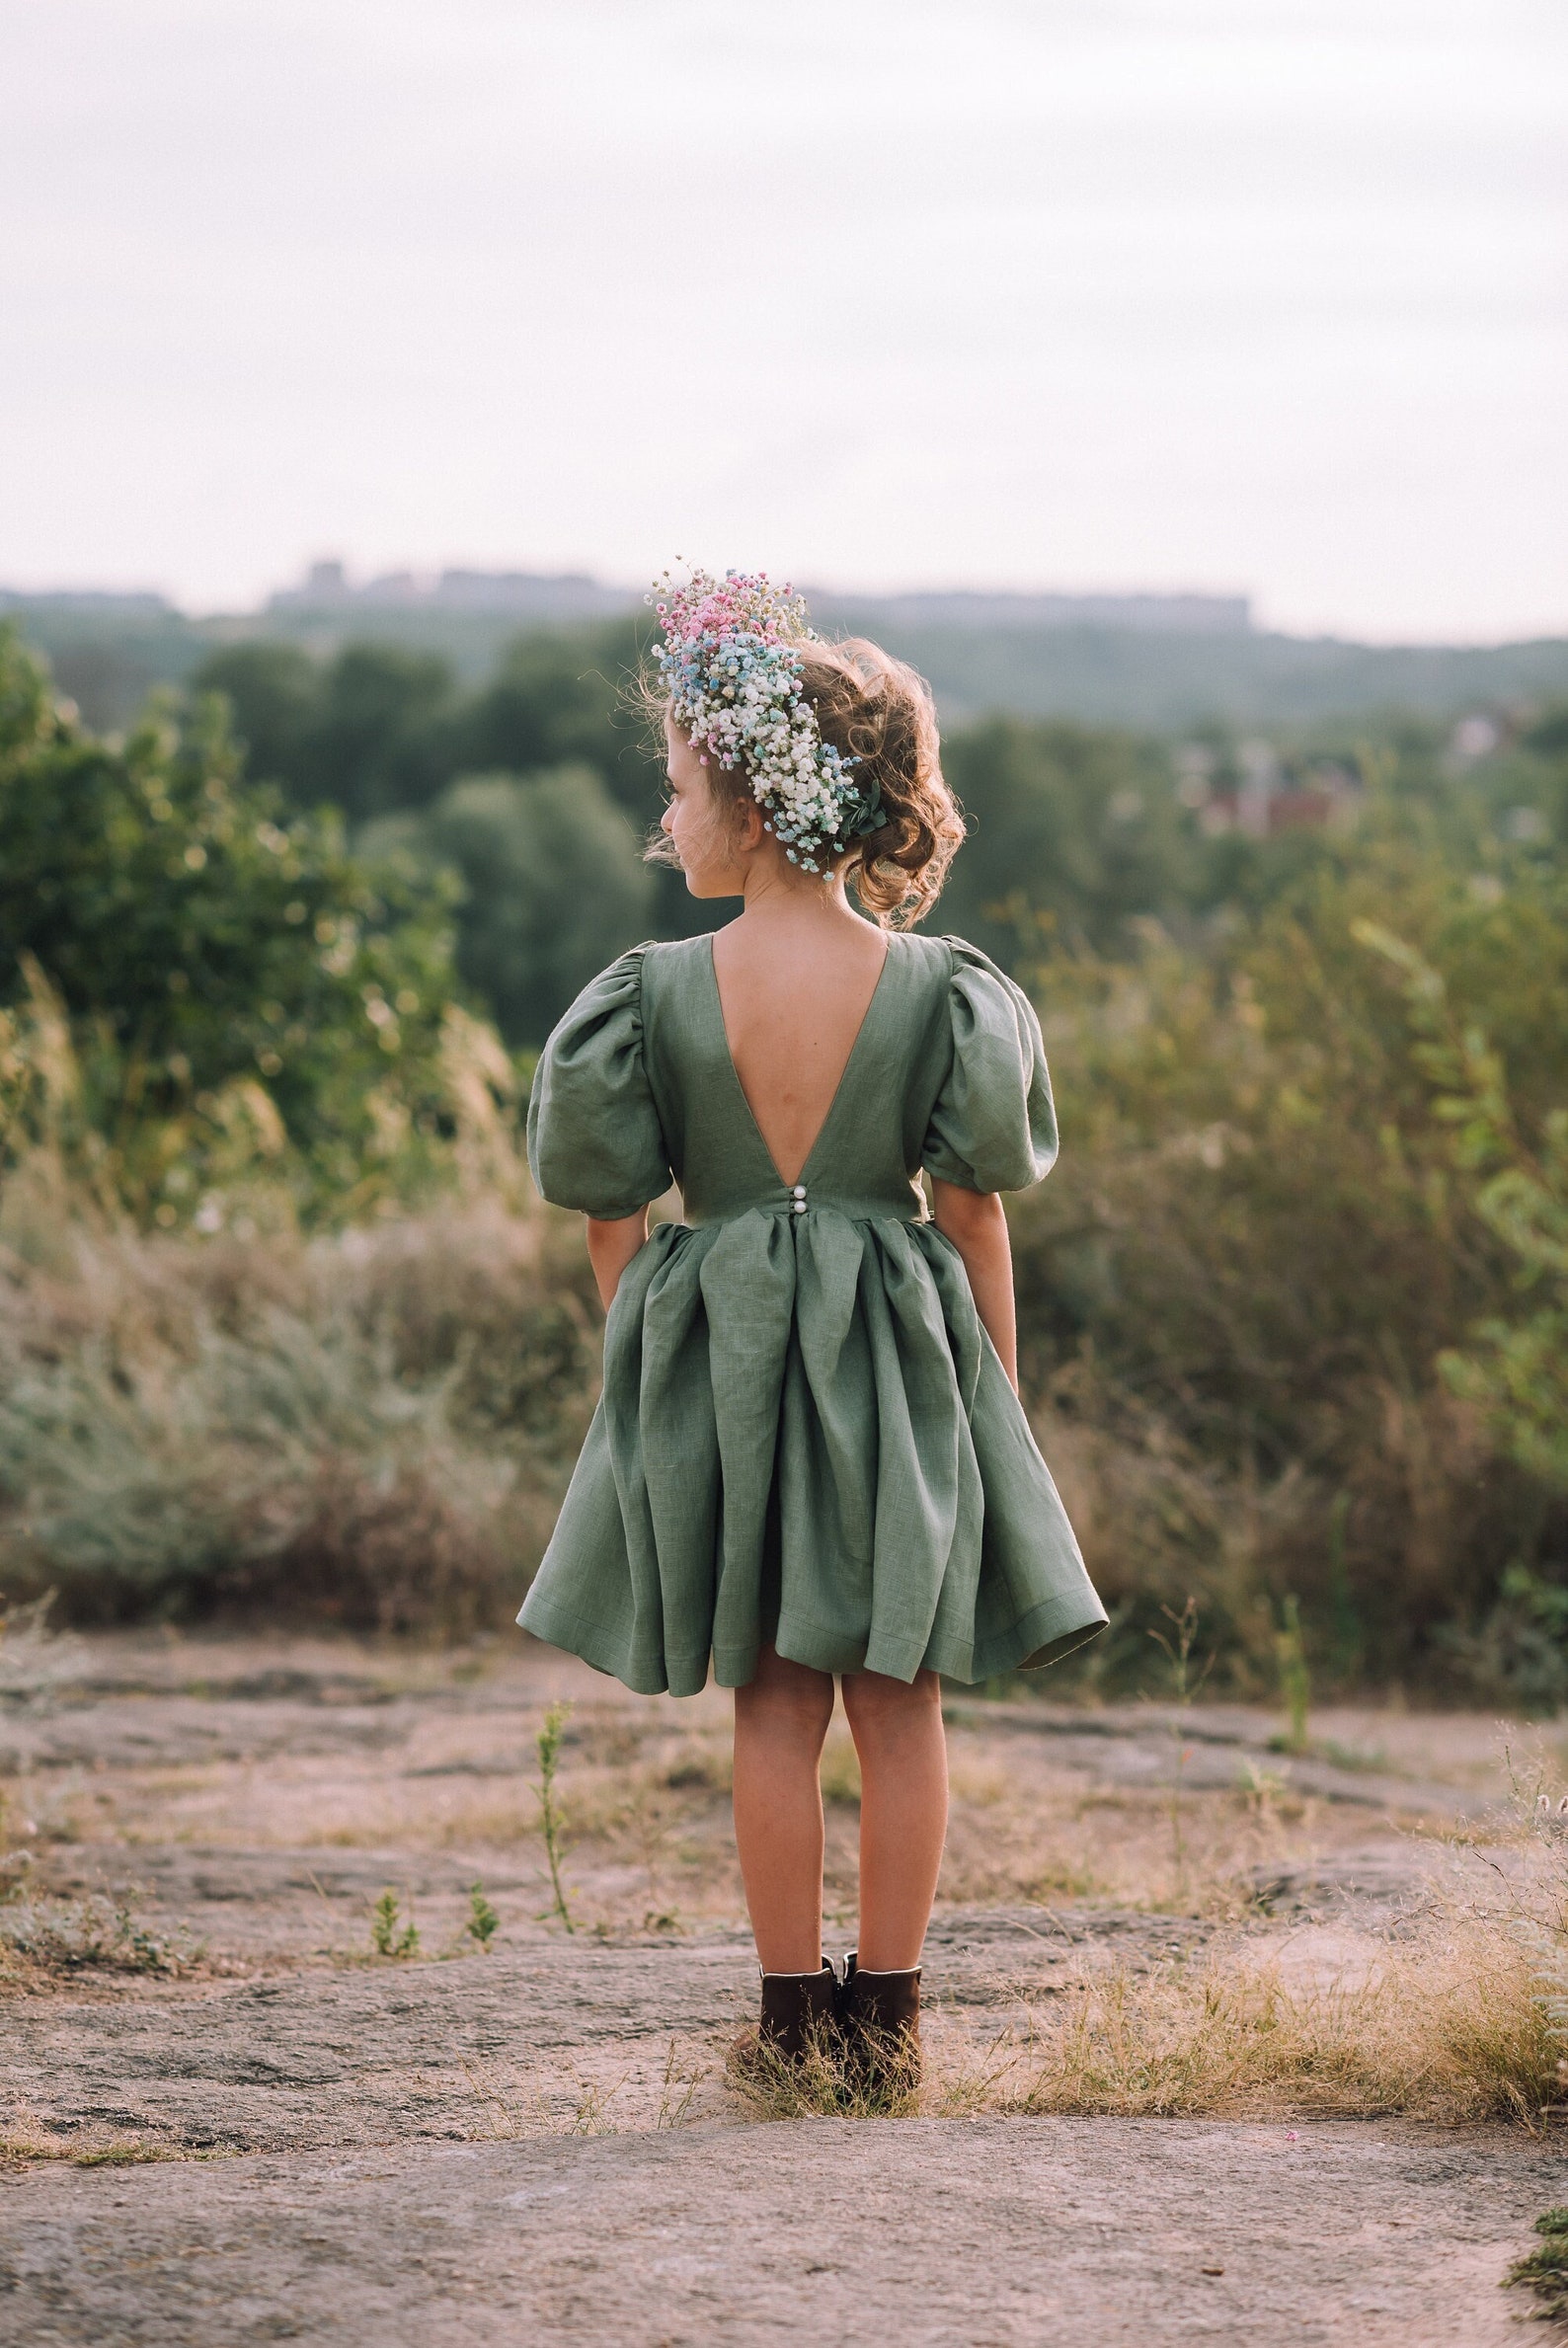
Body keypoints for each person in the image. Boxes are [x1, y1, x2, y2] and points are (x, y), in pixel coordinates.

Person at [519, 569, 1106, 2089]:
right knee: (897, 1699)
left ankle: (789, 2021)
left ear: (758, 802)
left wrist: (650, 1349)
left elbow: (605, 1208)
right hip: (899, 1366)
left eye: (681, 789)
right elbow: (976, 1213)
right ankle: (891, 2018)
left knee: (772, 1699)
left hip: (724, 1365)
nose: (669, 822)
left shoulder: (650, 994)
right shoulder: (940, 990)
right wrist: (993, 1398)